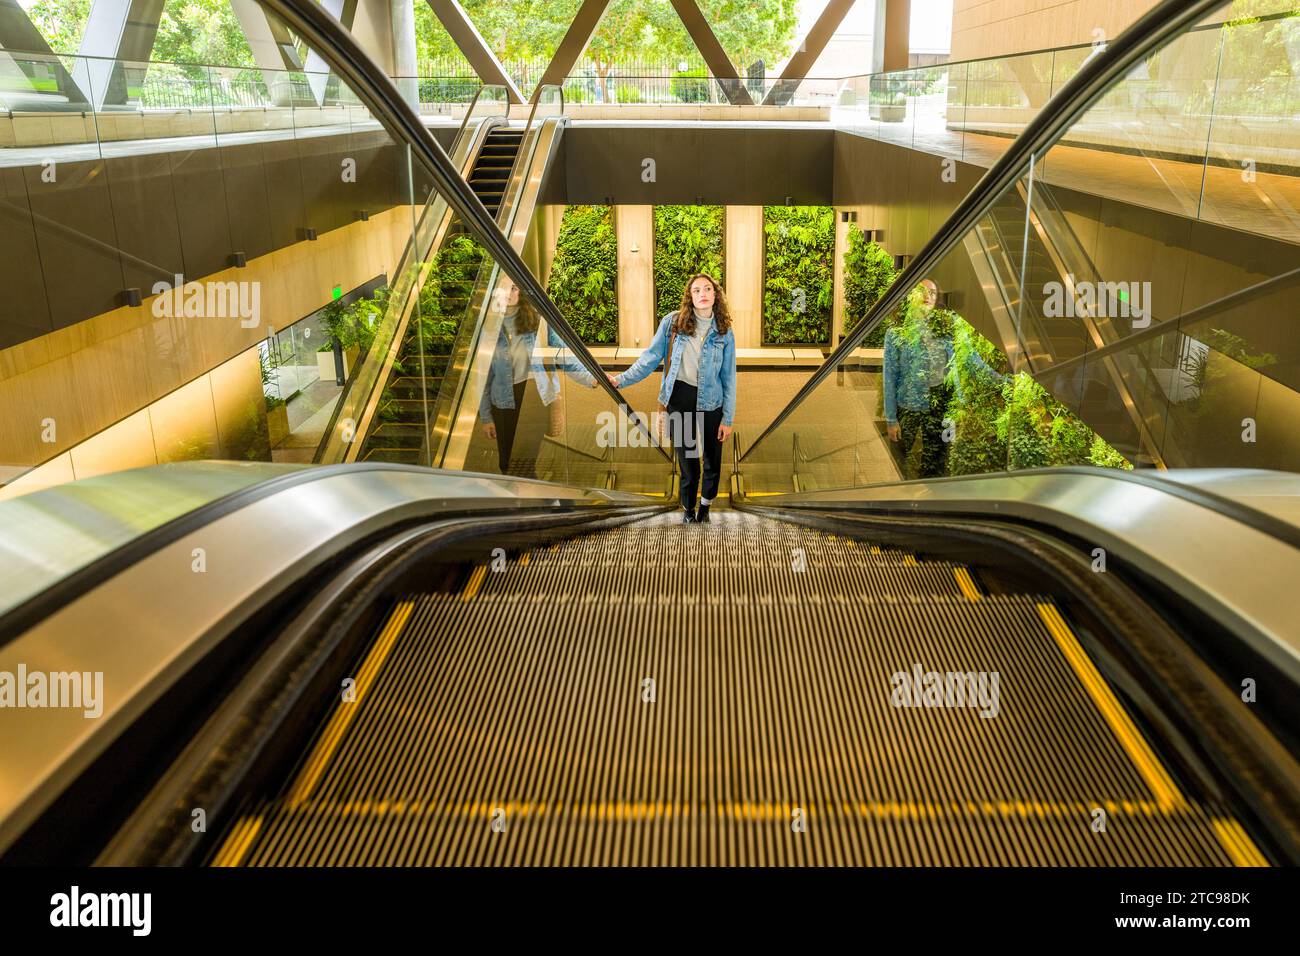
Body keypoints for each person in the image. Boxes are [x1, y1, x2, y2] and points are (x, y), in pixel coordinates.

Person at [610, 273, 736, 523]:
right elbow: (649, 359)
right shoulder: (673, 323)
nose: (702, 294)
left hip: (712, 400)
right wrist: (621, 379)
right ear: (690, 296)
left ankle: (705, 507)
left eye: (707, 289)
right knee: (689, 462)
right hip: (681, 396)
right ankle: (688, 510)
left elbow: (729, 376)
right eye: (696, 290)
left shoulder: (724, 331)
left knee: (713, 460)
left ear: (715, 295)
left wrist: (727, 418)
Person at [480, 278, 594, 475]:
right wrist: (486, 416)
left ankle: (524, 500)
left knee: (524, 461)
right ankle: (519, 500)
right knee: (506, 463)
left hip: (534, 397)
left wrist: (590, 378)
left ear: (521, 292)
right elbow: (484, 375)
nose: (508, 294)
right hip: (503, 402)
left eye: (514, 288)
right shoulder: (488, 328)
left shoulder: (538, 321)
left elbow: (563, 354)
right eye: (503, 289)